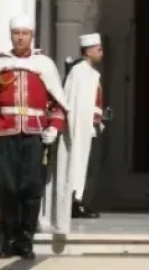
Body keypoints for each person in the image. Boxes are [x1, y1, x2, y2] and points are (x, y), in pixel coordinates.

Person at [0, 16, 68, 260]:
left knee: (31, 187)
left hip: (34, 135)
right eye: (16, 33)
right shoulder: (0, 65)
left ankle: (26, 239)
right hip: (5, 134)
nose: (20, 37)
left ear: (32, 35)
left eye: (24, 33)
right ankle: (9, 238)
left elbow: (57, 101)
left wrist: (54, 127)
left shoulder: (44, 65)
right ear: (11, 36)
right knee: (7, 187)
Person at [57, 32, 106, 221]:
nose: (101, 53)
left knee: (91, 166)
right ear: (88, 51)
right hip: (83, 127)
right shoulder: (79, 72)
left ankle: (82, 201)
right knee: (82, 164)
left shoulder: (90, 73)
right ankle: (78, 203)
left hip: (92, 127)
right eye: (98, 49)